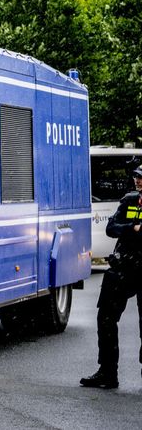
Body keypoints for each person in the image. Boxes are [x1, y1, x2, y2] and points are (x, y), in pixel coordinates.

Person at [81, 165, 142, 389]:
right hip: (123, 268)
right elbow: (111, 228)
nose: (137, 180)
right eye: (136, 176)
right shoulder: (129, 200)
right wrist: (132, 228)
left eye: (141, 177)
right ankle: (107, 372)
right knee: (105, 318)